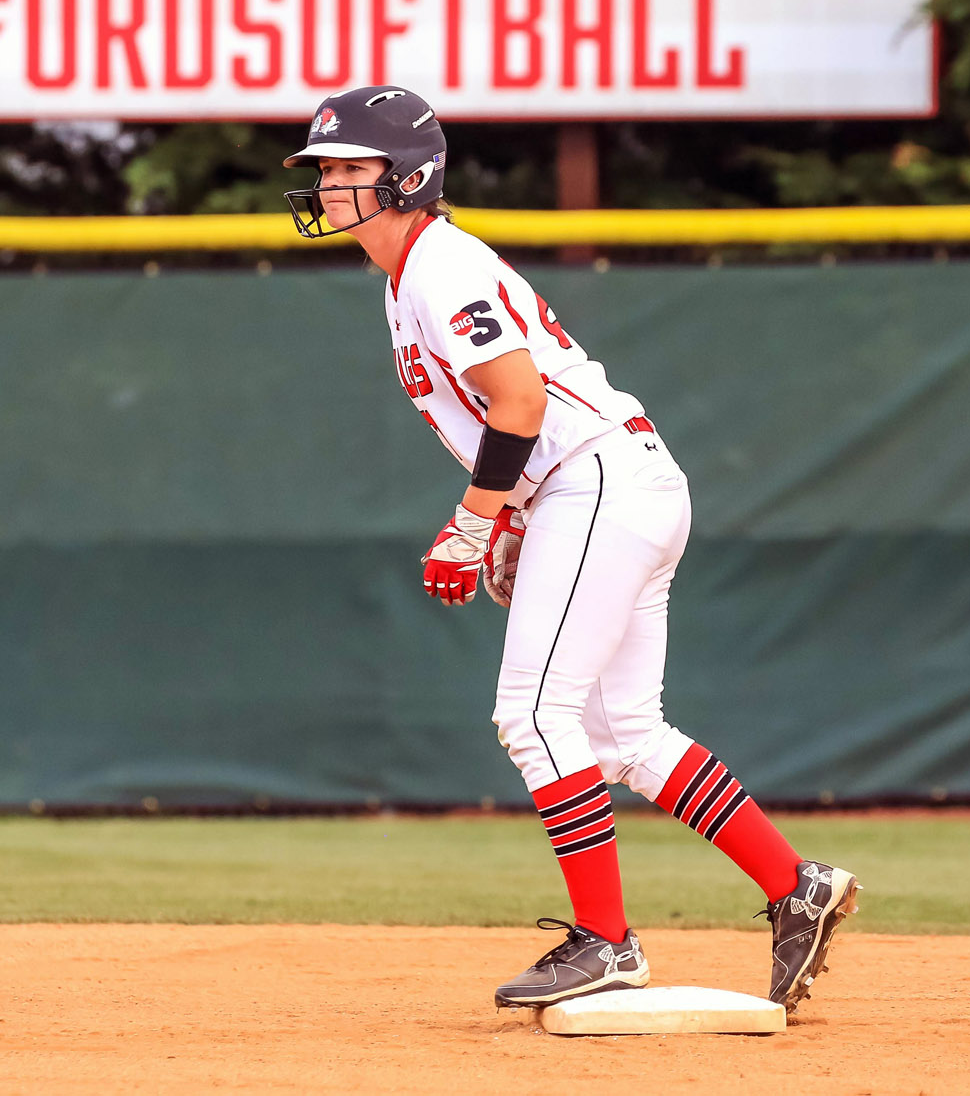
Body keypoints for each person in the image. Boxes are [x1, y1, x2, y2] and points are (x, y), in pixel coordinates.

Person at [283, 86, 859, 1013]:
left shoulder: (440, 267)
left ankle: (606, 941)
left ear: (411, 176)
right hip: (612, 481)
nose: (331, 186)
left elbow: (520, 404)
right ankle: (797, 887)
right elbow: (515, 416)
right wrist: (512, 518)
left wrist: (475, 523)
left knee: (533, 714)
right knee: (626, 734)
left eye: (352, 169)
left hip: (596, 480)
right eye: (326, 171)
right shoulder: (412, 276)